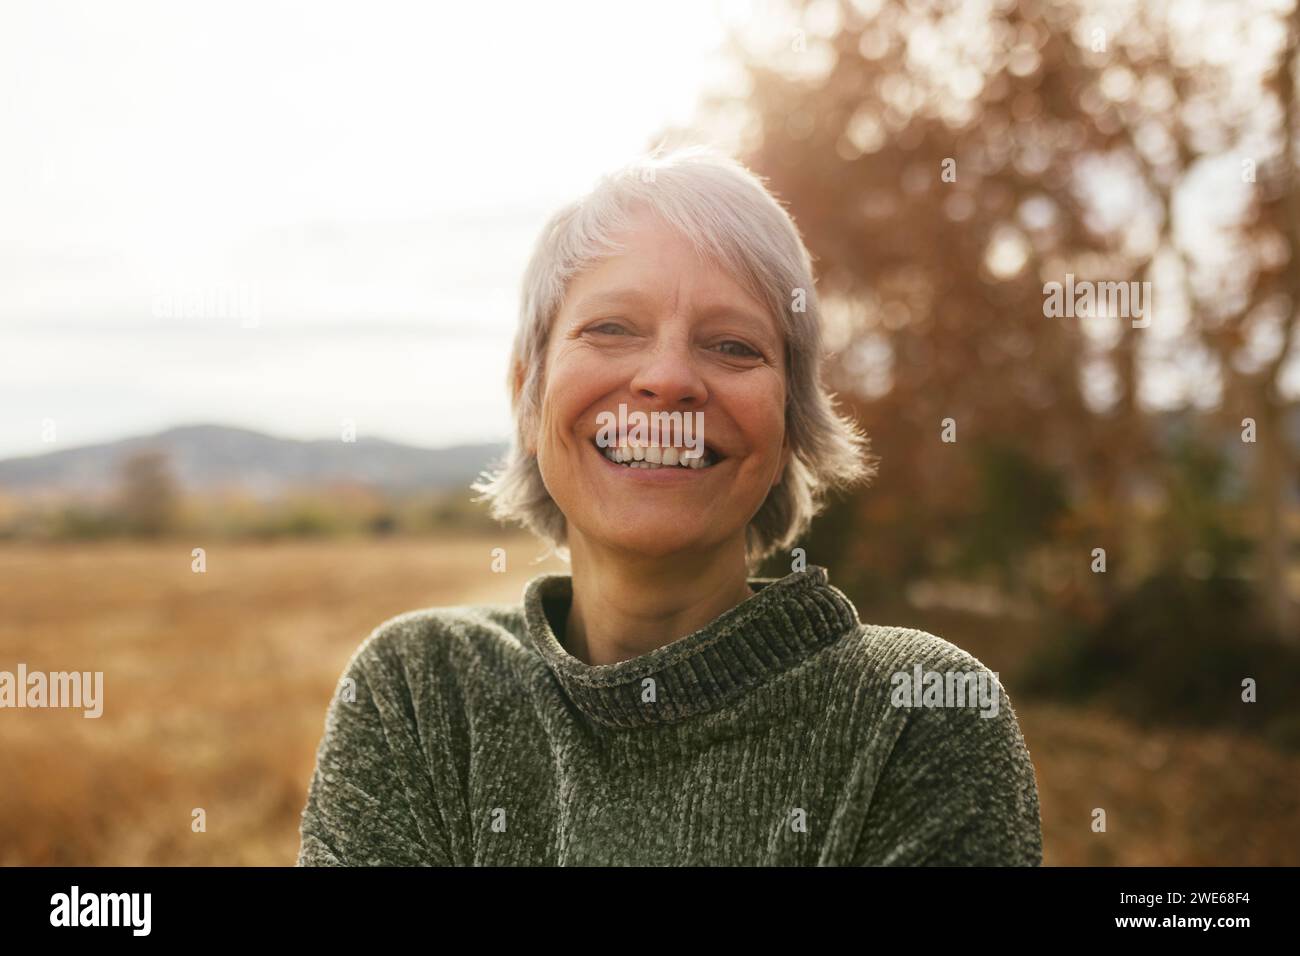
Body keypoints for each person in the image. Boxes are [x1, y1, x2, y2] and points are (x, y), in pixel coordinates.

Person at [296, 145, 1043, 866]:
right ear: (527, 397)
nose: (668, 378)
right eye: (612, 329)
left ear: (788, 425)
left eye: (733, 346)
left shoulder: (921, 714)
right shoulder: (420, 689)